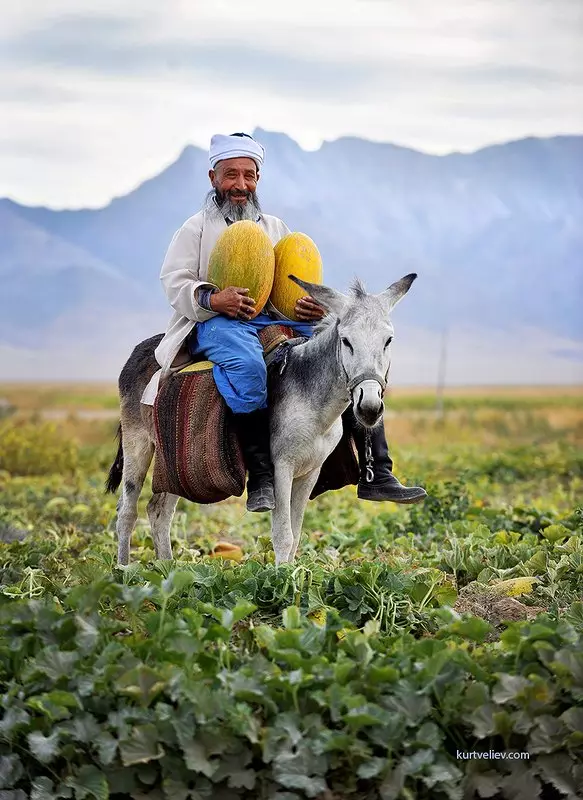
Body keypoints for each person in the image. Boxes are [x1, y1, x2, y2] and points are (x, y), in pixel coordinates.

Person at [141, 132, 426, 511]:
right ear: (213, 178)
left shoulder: (276, 228)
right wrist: (214, 297)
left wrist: (307, 309)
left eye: (249, 175)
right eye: (231, 175)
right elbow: (173, 280)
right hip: (214, 323)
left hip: (269, 322)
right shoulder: (195, 228)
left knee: (342, 350)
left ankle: (377, 470)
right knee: (246, 364)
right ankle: (260, 474)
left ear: (258, 178)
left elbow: (287, 288)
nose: (240, 184)